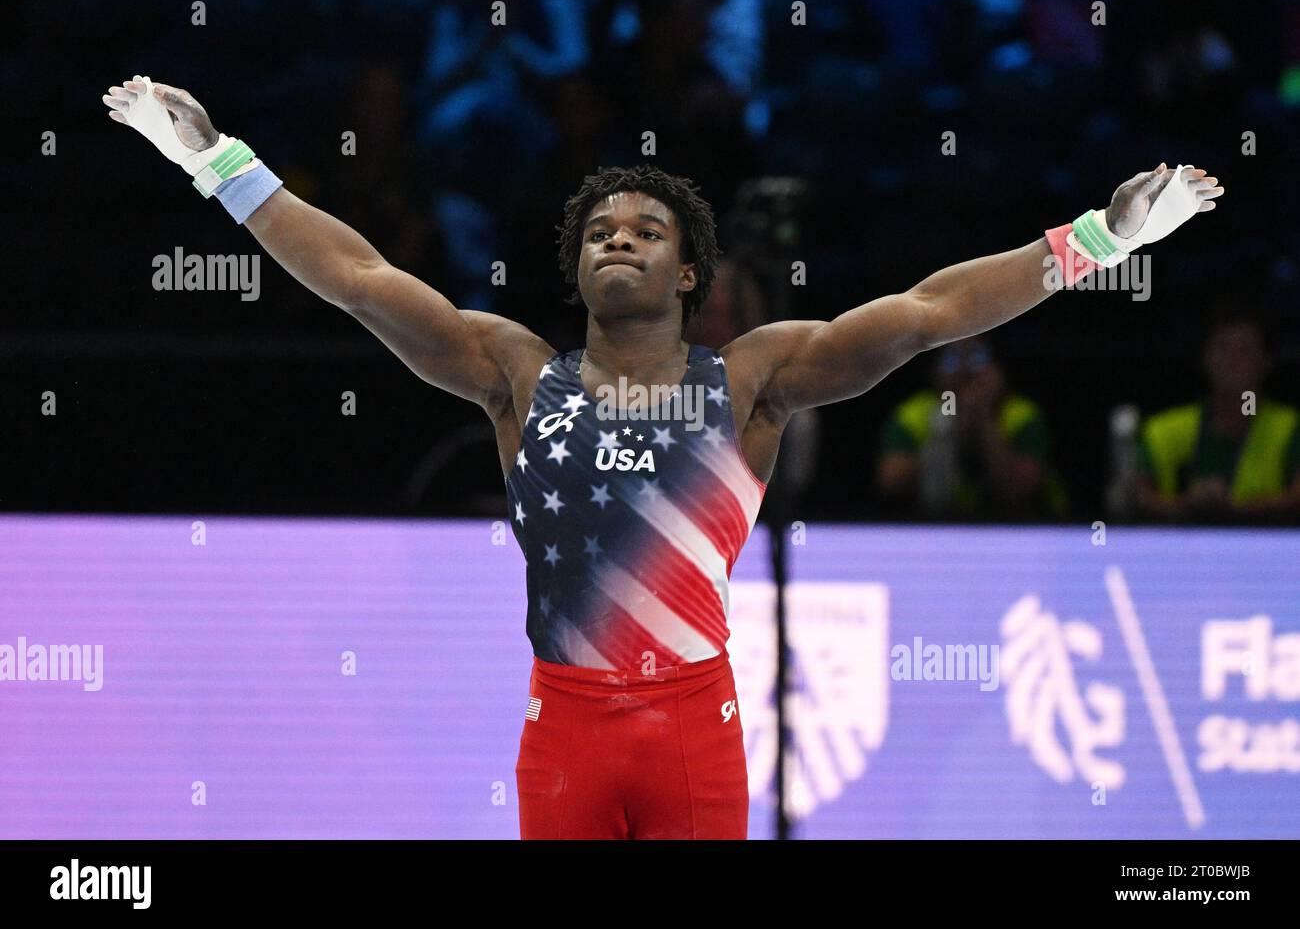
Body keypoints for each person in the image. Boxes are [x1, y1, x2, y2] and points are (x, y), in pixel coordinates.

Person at [102, 75, 1223, 838]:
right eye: (598, 230)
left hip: (694, 725)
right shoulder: (512, 373)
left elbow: (930, 311)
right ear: (577, 269)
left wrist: (1102, 238)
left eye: (644, 229)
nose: (617, 238)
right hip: (563, 722)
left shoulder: (751, 380)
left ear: (688, 273)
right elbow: (358, 279)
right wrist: (218, 162)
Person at [876, 336, 1067, 519]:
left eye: (976, 358)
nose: (964, 370)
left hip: (1023, 529)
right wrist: (948, 432)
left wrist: (984, 417)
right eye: (951, 359)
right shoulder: (912, 415)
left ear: (996, 367)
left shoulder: (1023, 415)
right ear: (934, 370)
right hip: (935, 529)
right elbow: (892, 485)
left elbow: (1017, 492)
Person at [1137, 309, 1300, 520]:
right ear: (1206, 358)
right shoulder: (1163, 430)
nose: (1233, 361)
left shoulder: (1291, 428)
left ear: (1265, 362)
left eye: (1245, 350)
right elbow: (1135, 497)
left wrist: (1234, 510)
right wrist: (1188, 503)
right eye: (1224, 348)